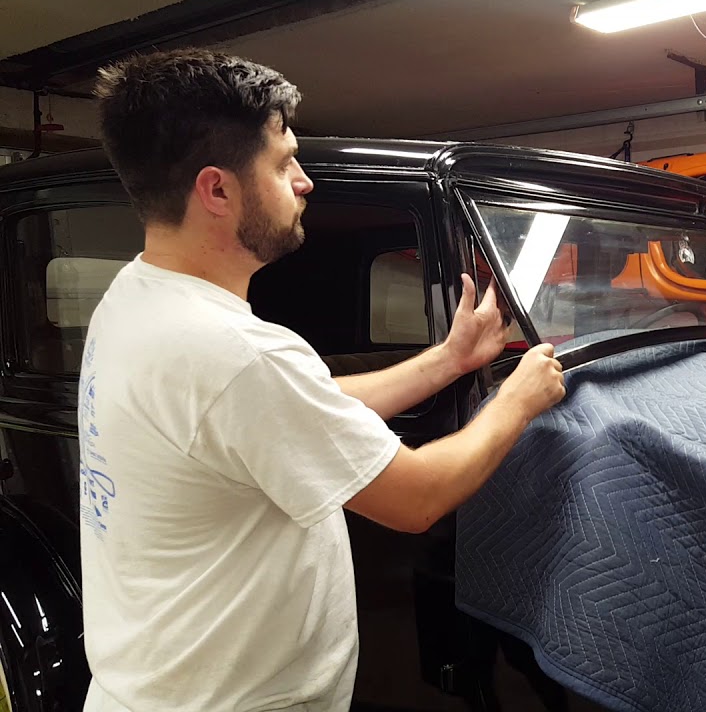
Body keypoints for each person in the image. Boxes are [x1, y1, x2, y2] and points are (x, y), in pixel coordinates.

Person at [77, 48, 566, 712]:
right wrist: (518, 399)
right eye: (284, 164)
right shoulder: (234, 353)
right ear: (216, 190)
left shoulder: (136, 298)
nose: (304, 182)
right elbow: (417, 497)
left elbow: (307, 408)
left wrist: (450, 359)